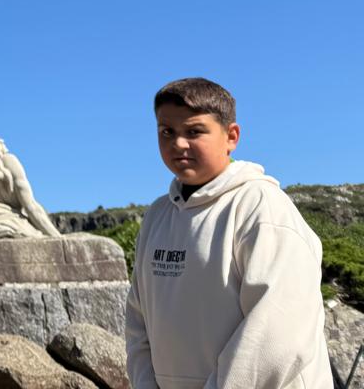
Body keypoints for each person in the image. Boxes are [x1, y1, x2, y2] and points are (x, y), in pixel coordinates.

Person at [126, 77, 332, 389]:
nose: (178, 143)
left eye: (194, 131)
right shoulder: (157, 216)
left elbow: (279, 330)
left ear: (231, 136)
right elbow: (138, 322)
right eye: (167, 131)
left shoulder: (261, 206)